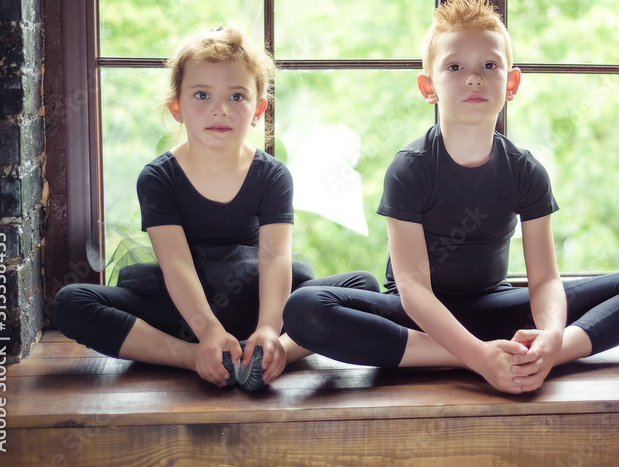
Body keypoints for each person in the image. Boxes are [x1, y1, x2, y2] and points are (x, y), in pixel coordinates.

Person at [283, 0, 619, 394]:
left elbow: (546, 280)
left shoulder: (526, 171)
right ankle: (474, 357)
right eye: (454, 67)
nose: (473, 78)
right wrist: (478, 356)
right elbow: (412, 289)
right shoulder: (410, 168)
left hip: (491, 310)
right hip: (419, 319)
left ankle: (536, 357)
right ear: (427, 87)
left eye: (489, 65)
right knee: (304, 309)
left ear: (511, 82)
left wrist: (550, 335)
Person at [54, 27, 379, 390]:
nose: (220, 110)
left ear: (258, 110)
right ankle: (194, 355)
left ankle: (276, 351)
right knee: (72, 302)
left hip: (255, 299)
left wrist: (270, 327)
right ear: (177, 107)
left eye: (236, 96)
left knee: (361, 286)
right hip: (179, 308)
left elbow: (274, 257)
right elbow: (175, 263)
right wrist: (207, 330)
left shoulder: (271, 175)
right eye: (202, 95)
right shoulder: (158, 177)